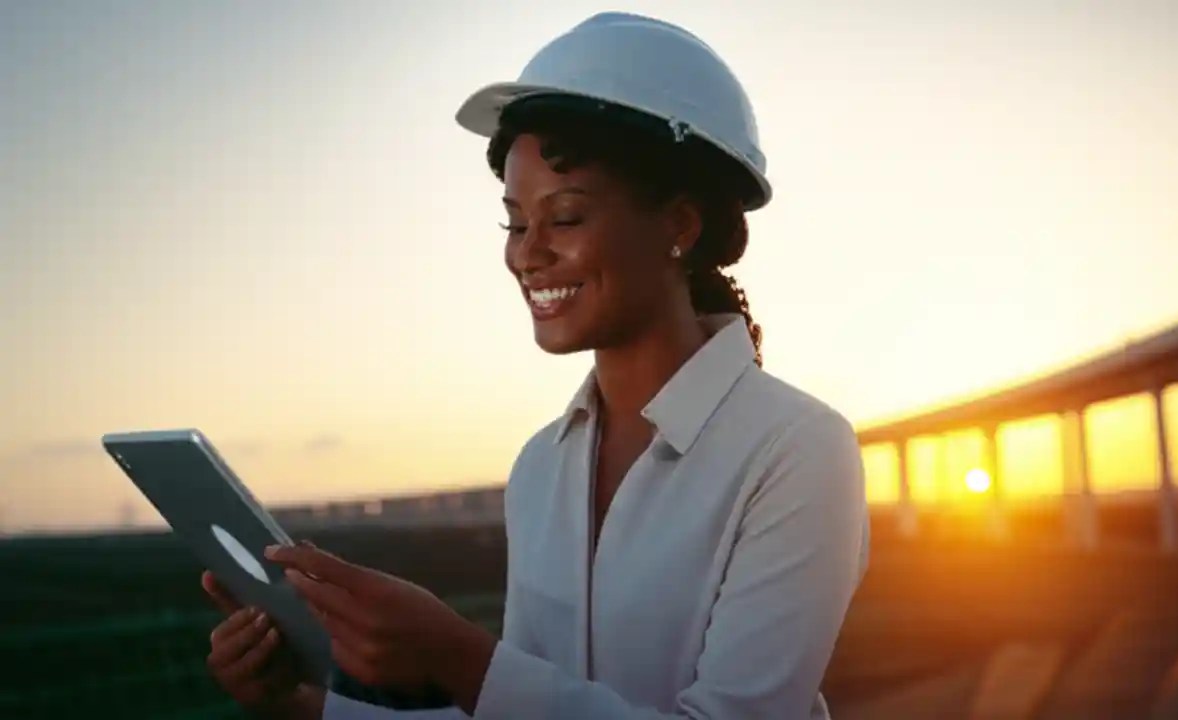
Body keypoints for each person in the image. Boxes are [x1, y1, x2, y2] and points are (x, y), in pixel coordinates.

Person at [201, 11, 869, 719]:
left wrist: (453, 654)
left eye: (567, 216)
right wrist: (300, 708)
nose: (527, 253)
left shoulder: (797, 450)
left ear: (679, 224)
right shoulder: (539, 468)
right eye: (515, 222)